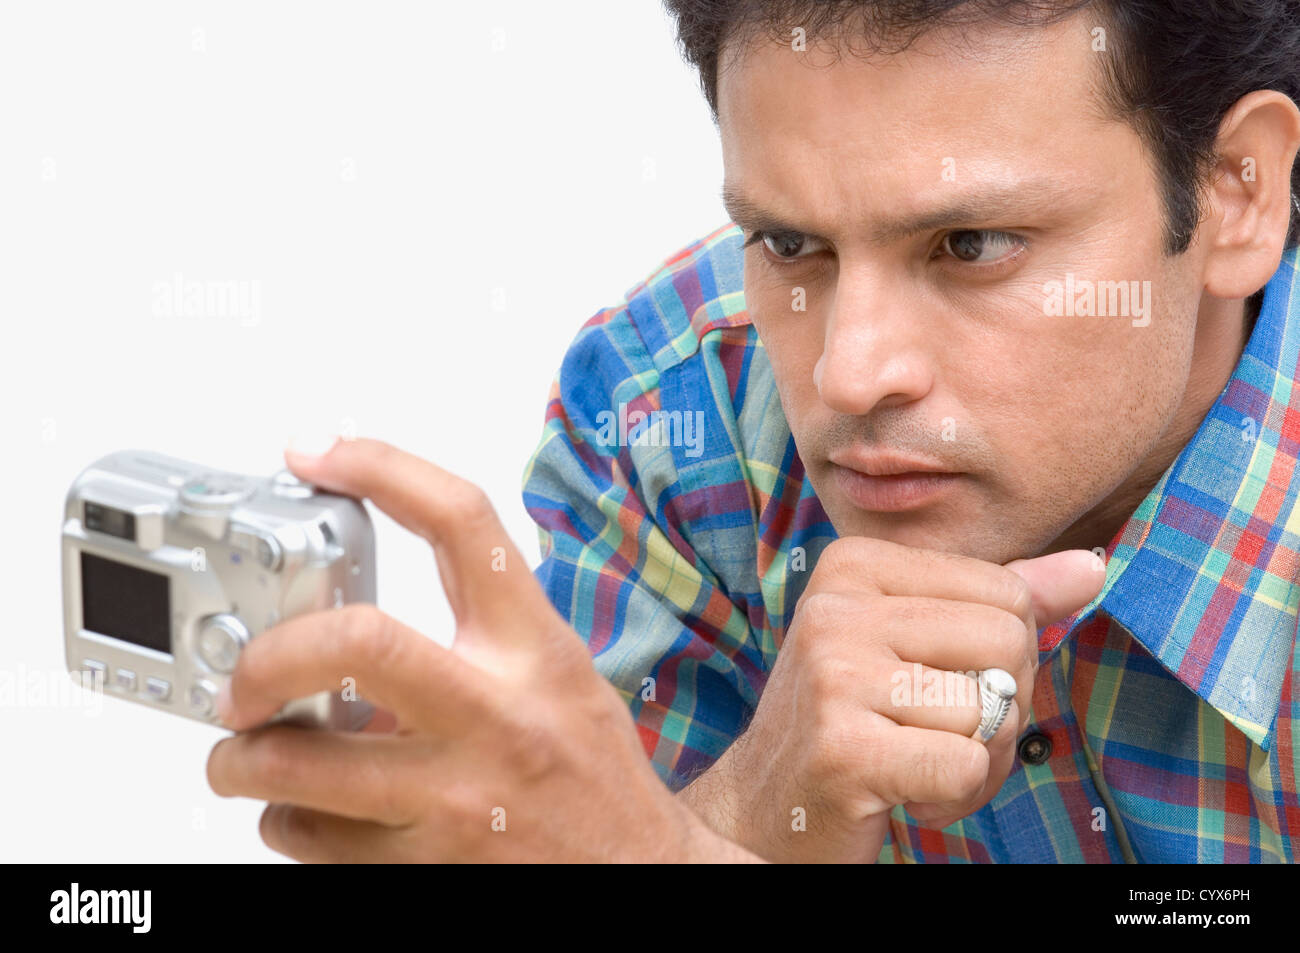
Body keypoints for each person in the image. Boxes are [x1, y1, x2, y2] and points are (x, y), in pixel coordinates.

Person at [207, 0, 1300, 862]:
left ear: (1238, 194)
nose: (848, 370)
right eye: (787, 242)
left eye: (971, 245)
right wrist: (756, 807)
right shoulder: (671, 413)